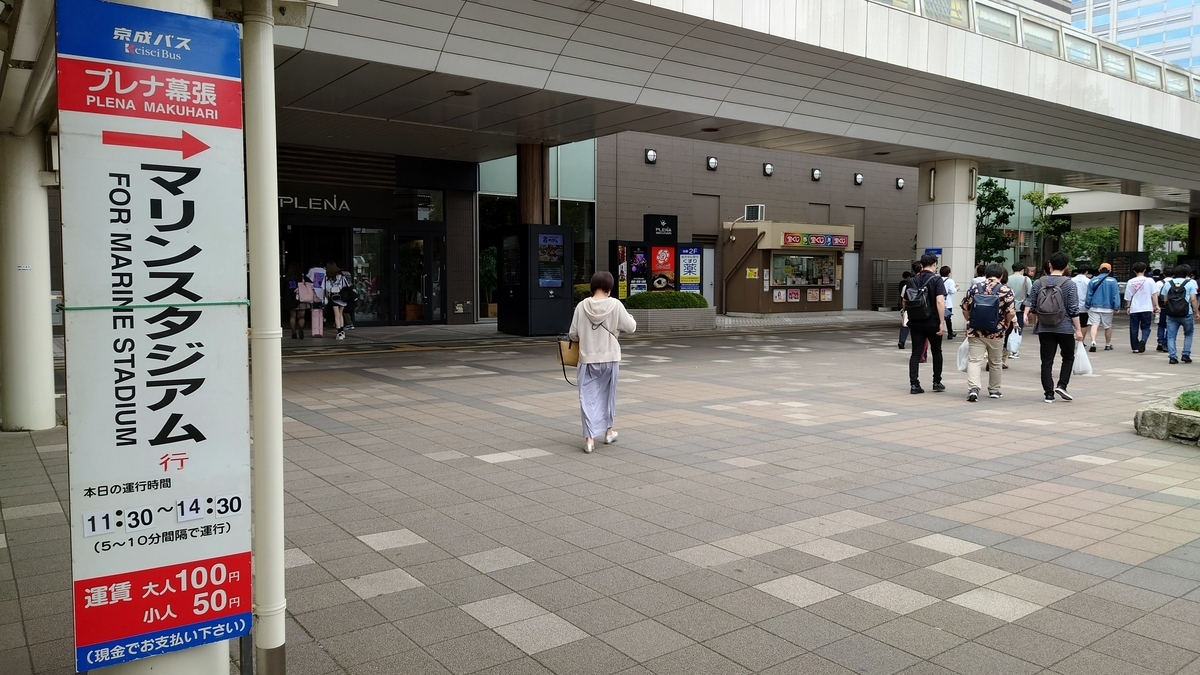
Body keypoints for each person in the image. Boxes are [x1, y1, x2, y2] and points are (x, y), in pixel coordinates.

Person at [569, 271, 636, 453]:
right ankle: (608, 432)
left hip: (587, 358)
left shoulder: (581, 306)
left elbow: (573, 334)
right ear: (609, 288)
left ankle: (589, 440)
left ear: (593, 286)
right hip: (610, 357)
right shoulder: (615, 304)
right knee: (608, 396)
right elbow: (631, 327)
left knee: (587, 398)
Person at [1025, 252, 1083, 402]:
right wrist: (1078, 330)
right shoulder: (1070, 284)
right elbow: (1073, 309)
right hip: (1064, 328)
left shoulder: (1039, 282)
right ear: (1066, 266)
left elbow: (1032, 304)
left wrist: (1027, 316)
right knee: (1068, 357)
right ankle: (1062, 385)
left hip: (1044, 327)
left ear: (1050, 265)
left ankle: (1048, 394)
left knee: (1046, 361)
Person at [961, 263, 1015, 401]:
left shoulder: (974, 288)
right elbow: (1011, 312)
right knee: (995, 362)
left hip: (975, 331)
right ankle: (994, 390)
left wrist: (970, 320)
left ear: (985, 274)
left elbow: (965, 307)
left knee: (974, 360)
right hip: (996, 332)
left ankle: (973, 388)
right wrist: (1007, 322)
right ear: (1001, 275)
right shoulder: (1005, 290)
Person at [905, 254, 948, 394]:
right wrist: (942, 322)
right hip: (933, 321)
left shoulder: (912, 280)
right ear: (935, 264)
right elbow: (940, 301)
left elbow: (906, 301)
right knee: (936, 351)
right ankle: (937, 381)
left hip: (916, 321)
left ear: (921, 265)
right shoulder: (937, 280)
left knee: (916, 353)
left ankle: (914, 384)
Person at [1160, 263, 1199, 364]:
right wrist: (1197, 312)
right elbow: (1194, 299)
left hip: (1171, 314)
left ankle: (1172, 357)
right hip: (1187, 313)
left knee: (1171, 336)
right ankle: (1186, 355)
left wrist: (1172, 307)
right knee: (1188, 334)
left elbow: (1165, 299)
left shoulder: (1168, 284)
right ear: (1188, 273)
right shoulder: (1190, 283)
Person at [1085, 262, 1120, 352]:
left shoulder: (1092, 280)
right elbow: (1115, 295)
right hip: (1108, 308)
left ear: (1099, 270)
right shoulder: (1113, 281)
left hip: (1094, 306)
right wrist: (1117, 306)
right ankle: (1107, 344)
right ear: (1110, 271)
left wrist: (1087, 305)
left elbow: (1089, 295)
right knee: (1107, 326)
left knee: (1094, 324)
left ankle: (1093, 342)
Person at [1125, 262, 1157, 354]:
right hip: (1147, 307)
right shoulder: (1150, 280)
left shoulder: (1130, 281)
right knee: (1146, 327)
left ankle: (1135, 347)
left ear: (1134, 271)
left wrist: (1128, 306)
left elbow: (1128, 296)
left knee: (1133, 328)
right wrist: (1156, 305)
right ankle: (1143, 339)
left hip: (1134, 308)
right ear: (1144, 270)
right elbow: (1154, 294)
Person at [1006, 263, 1032, 360]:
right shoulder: (1026, 279)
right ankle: (1014, 350)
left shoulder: (1008, 279)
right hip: (1020, 308)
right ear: (1022, 270)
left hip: (1008, 308)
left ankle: (1006, 348)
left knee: (1007, 329)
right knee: (1018, 329)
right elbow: (1030, 294)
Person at [283, 264, 312, 339]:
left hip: (291, 299)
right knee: (301, 317)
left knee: (292, 316)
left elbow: (284, 290)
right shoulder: (302, 277)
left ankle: (293, 333)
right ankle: (301, 329)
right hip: (302, 299)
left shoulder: (287, 278)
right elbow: (310, 283)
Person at [325, 261, 352, 341]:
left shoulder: (327, 277)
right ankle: (342, 332)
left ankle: (339, 332)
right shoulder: (341, 276)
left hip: (334, 296)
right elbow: (346, 285)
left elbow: (326, 288)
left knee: (336, 315)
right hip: (343, 296)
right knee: (340, 314)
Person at [306, 263, 327, 337]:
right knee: (322, 308)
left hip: (314, 291)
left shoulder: (312, 270)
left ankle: (315, 323)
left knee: (314, 308)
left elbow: (308, 279)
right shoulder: (324, 270)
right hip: (322, 291)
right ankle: (323, 320)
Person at [1157, 266, 1174, 351]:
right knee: (1169, 326)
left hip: (1162, 307)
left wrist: (1155, 306)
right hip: (1172, 307)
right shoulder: (1175, 283)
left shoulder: (1159, 283)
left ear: (1163, 274)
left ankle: (1160, 341)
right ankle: (1166, 343)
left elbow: (1155, 295)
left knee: (1161, 325)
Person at [940, 266, 958, 340]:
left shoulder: (938, 279)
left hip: (939, 301)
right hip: (948, 303)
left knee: (938, 318)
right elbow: (952, 291)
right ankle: (950, 333)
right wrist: (957, 288)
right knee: (948, 319)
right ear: (948, 273)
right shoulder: (950, 281)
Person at [898, 270, 913, 349]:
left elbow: (904, 299)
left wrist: (904, 308)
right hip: (920, 308)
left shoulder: (906, 286)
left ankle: (901, 341)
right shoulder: (923, 285)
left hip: (908, 307)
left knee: (905, 325)